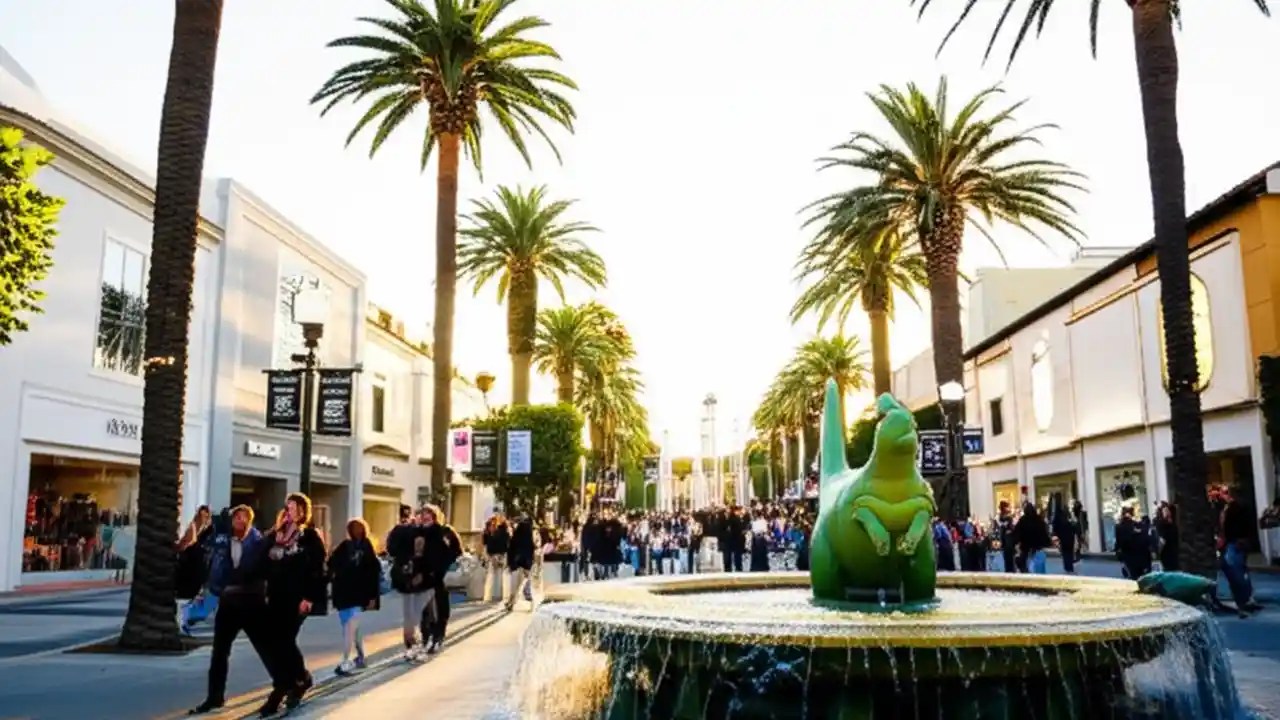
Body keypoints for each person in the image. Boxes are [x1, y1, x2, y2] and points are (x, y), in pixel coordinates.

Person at [189, 506, 271, 716]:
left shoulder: (258, 542)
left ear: (249, 521)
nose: (238, 520)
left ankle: (283, 685)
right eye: (236, 516)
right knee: (219, 652)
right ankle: (214, 697)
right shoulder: (223, 540)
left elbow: (262, 570)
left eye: (243, 517)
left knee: (265, 648)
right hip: (228, 603)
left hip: (251, 602)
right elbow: (208, 559)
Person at [260, 494, 328, 715]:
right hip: (276, 597)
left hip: (297, 598)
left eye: (294, 508)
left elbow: (318, 569)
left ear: (303, 511)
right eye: (287, 507)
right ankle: (297, 679)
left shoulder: (309, 536)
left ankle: (286, 686)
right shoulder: (277, 534)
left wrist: (309, 597)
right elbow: (262, 558)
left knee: (285, 641)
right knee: (275, 643)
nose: (290, 511)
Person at [328, 518, 380, 676]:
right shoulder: (352, 547)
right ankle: (361, 657)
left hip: (350, 594)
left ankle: (345, 661)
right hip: (351, 594)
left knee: (349, 628)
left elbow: (330, 565)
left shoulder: (356, 547)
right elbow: (373, 572)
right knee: (351, 628)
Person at [386, 504, 431, 659]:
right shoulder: (421, 532)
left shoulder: (397, 531)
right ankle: (414, 644)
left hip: (403, 575)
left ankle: (410, 644)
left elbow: (390, 550)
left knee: (409, 612)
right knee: (416, 612)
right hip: (417, 575)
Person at [418, 505, 462, 653]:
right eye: (423, 514)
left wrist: (442, 567)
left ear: (435, 516)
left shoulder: (444, 532)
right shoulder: (418, 532)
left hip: (438, 577)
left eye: (428, 514)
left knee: (439, 608)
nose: (425, 517)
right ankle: (426, 637)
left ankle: (438, 636)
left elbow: (456, 551)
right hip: (422, 577)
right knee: (424, 610)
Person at [177, 505, 216, 634]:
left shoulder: (209, 531)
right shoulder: (193, 527)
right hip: (190, 566)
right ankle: (183, 623)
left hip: (200, 566)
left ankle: (185, 621)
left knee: (196, 597)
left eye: (206, 515)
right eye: (201, 515)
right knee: (187, 596)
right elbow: (186, 543)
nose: (204, 518)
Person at [506, 513, 536, 611]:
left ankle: (511, 602)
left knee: (514, 585)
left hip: (516, 563)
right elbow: (531, 550)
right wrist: (530, 564)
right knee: (523, 585)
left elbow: (511, 548)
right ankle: (530, 602)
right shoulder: (529, 535)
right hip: (526, 564)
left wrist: (510, 563)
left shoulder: (517, 534)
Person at [1013, 503, 1052, 574]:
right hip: (1037, 547)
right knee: (1039, 567)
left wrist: (1016, 542)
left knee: (1026, 566)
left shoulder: (1023, 520)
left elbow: (1016, 533)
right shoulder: (1038, 519)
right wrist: (1047, 542)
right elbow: (1043, 532)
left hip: (1025, 547)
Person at [481, 512, 510, 603]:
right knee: (504, 576)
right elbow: (508, 543)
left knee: (491, 575)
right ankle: (505, 597)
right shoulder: (504, 530)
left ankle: (487, 597)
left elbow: (485, 544)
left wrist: (486, 554)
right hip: (501, 554)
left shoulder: (488, 531)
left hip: (493, 554)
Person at [1051, 505, 1077, 574]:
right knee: (1069, 553)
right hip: (1070, 539)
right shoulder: (1070, 519)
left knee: (1065, 553)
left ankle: (1067, 567)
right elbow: (1074, 528)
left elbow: (1058, 530)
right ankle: (1070, 567)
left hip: (1064, 539)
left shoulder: (1061, 520)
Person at [1155, 502, 1180, 572]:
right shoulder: (1174, 525)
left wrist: (1158, 552)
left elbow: (1162, 541)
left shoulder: (1163, 525)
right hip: (1172, 554)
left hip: (1169, 556)